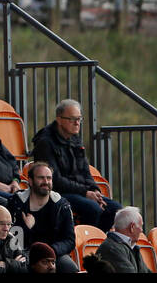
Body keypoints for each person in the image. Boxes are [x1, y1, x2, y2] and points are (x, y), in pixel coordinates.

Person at [30, 98, 121, 231]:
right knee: (93, 209)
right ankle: (81, 241)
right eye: (72, 119)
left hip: (80, 192)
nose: (77, 123)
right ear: (59, 120)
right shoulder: (45, 142)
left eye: (79, 118)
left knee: (115, 209)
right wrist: (85, 192)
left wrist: (94, 190)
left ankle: (99, 242)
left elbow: (85, 171)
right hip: (58, 192)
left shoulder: (75, 139)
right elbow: (55, 180)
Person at [8, 160, 78, 273]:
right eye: (41, 178)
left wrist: (51, 251)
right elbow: (12, 240)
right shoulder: (16, 203)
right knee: (18, 268)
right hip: (25, 253)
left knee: (69, 267)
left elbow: (69, 240)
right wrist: (26, 228)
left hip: (53, 254)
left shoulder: (62, 205)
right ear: (30, 181)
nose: (46, 181)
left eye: (49, 178)